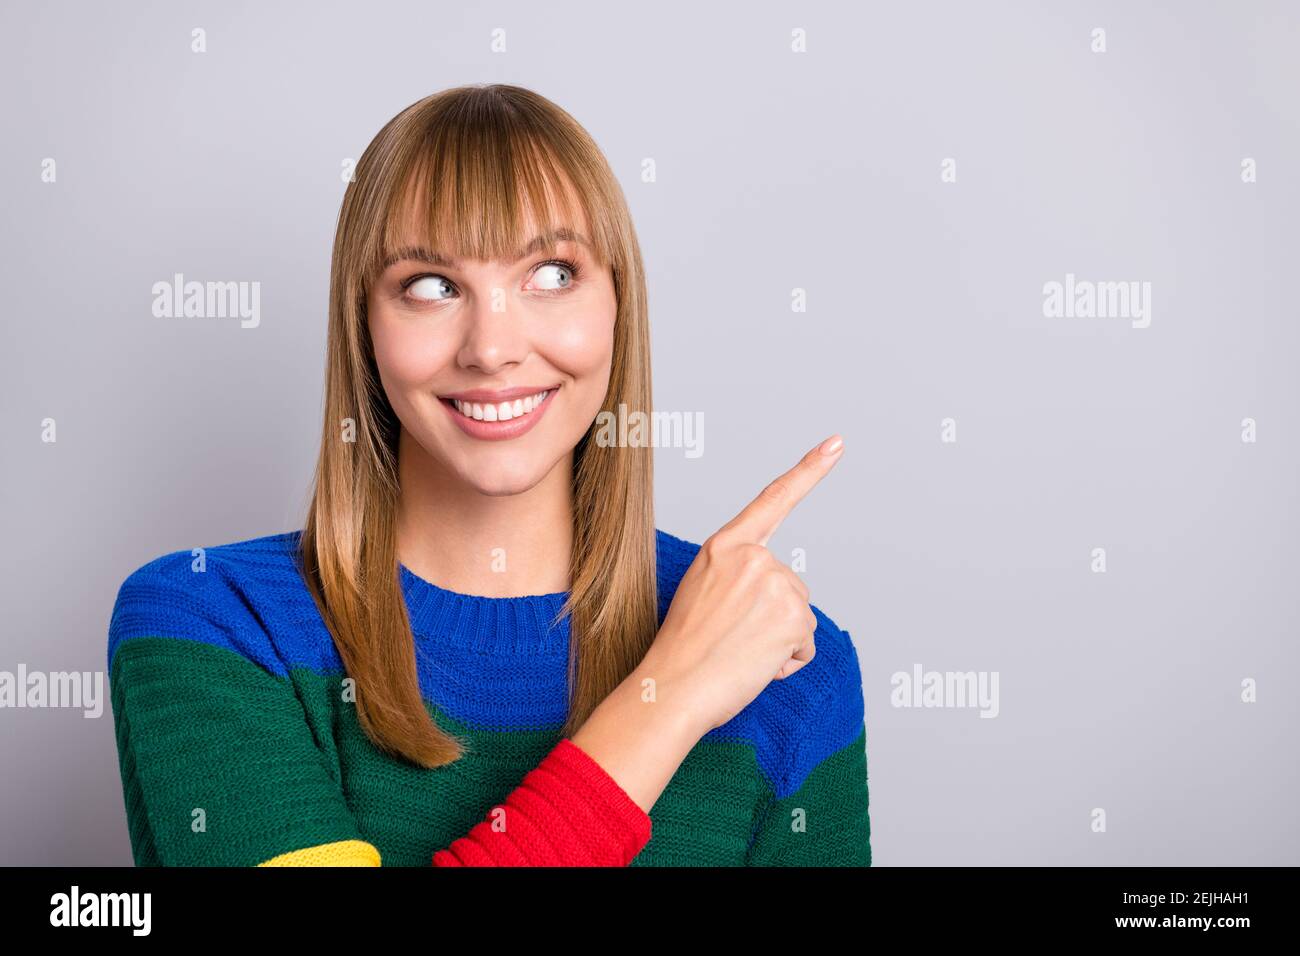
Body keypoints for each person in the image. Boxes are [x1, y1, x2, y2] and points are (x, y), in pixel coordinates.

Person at [106, 83, 871, 866]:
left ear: (618, 304)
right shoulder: (211, 624)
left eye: (551, 274)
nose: (492, 348)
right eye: (430, 287)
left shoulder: (784, 665)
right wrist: (668, 698)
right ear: (363, 324)